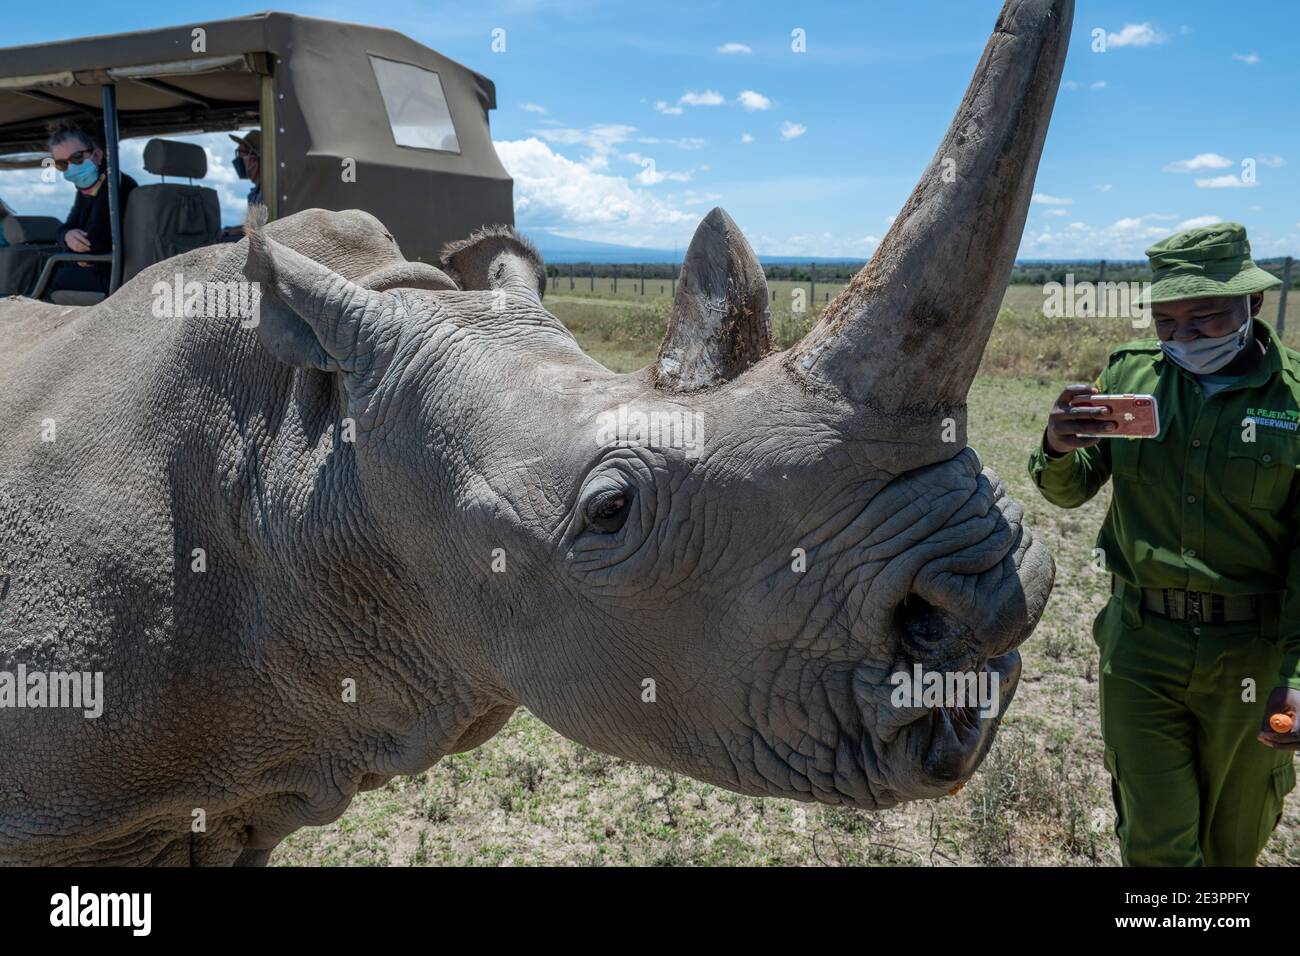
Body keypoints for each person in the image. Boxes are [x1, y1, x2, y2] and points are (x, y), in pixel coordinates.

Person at [1028, 222, 1297, 866]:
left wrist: (1294, 674)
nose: (1183, 337)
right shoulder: (1131, 374)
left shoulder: (1294, 400)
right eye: (1166, 321)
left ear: (1251, 305)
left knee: (1233, 841)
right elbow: (1068, 491)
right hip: (1141, 645)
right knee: (1157, 842)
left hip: (1250, 654)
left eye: (1204, 319)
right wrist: (1059, 447)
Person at [45, 120, 137, 298]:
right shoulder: (88, 189)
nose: (71, 167)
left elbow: (92, 245)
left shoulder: (115, 185)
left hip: (114, 275)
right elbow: (66, 228)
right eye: (62, 164)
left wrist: (75, 246)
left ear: (97, 155)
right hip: (104, 268)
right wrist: (67, 236)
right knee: (48, 265)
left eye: (77, 158)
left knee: (49, 276)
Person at [230, 130, 262, 207]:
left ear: (253, 158)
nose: (238, 158)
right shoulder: (253, 195)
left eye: (241, 152)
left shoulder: (266, 195)